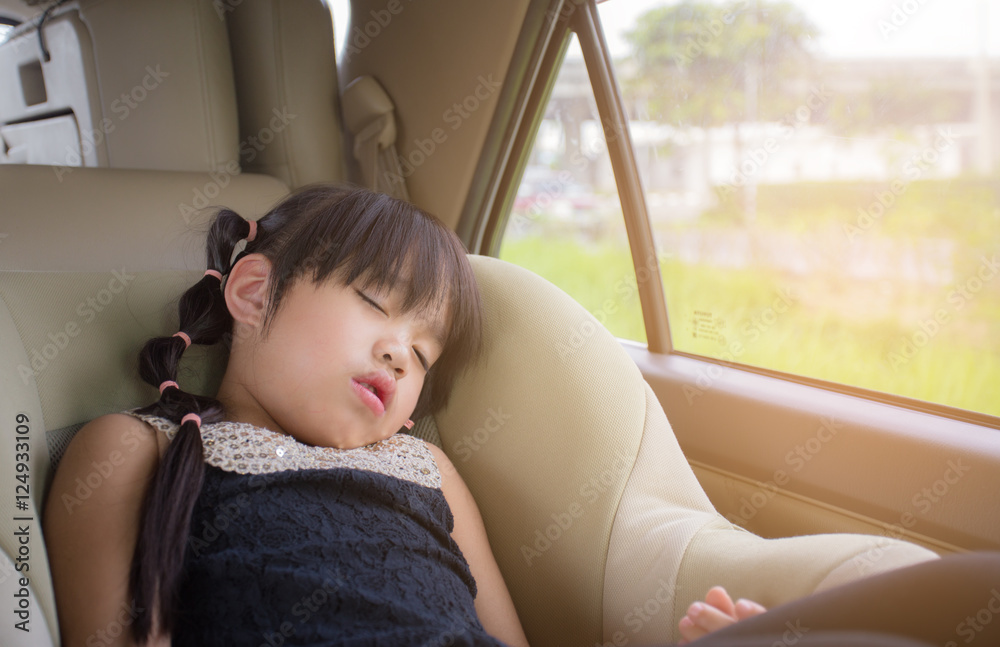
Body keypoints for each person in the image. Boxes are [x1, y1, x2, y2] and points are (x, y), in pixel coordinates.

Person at [44, 184, 529, 646]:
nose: (402, 356)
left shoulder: (427, 469)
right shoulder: (139, 449)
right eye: (374, 301)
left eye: (424, 355)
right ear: (255, 293)